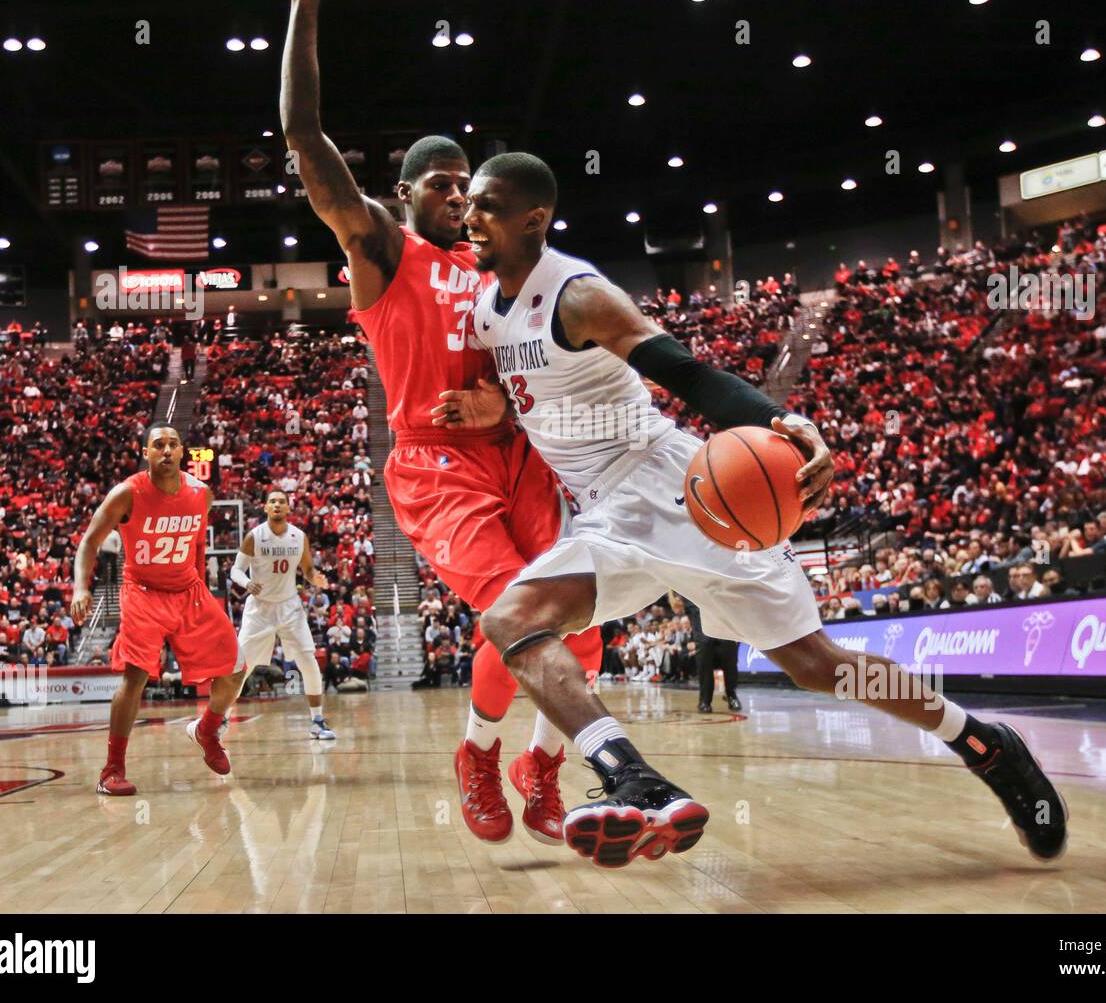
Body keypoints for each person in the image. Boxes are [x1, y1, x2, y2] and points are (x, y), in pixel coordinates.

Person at [439, 151, 1067, 868]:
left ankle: (984, 742)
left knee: (816, 664)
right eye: (469, 205)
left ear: (533, 220)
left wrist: (782, 419)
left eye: (486, 206)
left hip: (671, 486)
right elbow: (549, 400)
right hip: (610, 515)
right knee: (513, 621)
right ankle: (630, 778)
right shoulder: (487, 316)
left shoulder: (577, 295)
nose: (471, 217)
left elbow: (685, 370)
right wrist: (501, 411)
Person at [279, 0, 602, 848]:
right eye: (440, 185)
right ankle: (476, 754)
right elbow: (305, 139)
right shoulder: (385, 250)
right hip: (436, 466)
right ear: (402, 191)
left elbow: (549, 352)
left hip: (521, 455)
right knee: (522, 622)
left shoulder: (498, 262)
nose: (458, 199)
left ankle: (541, 770)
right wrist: (307, 2)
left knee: (588, 630)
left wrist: (509, 406)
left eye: (466, 187)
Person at [71, 422, 246, 796]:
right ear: (146, 453)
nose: (166, 450)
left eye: (173, 444)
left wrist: (199, 586)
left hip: (189, 591)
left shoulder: (202, 494)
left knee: (235, 670)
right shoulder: (126, 494)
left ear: (183, 452)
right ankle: (111, 770)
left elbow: (198, 546)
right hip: (143, 592)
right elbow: (89, 542)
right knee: (135, 679)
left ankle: (207, 730)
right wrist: (80, 588)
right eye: (158, 445)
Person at [230, 489, 335, 739]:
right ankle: (220, 719)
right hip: (260, 608)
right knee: (240, 666)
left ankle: (317, 721)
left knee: (308, 662)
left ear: (288, 509)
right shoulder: (254, 537)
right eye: (272, 501)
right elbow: (236, 570)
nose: (277, 504)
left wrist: (315, 578)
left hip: (289, 606)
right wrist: (246, 583)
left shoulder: (299, 537)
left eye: (282, 501)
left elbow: (308, 570)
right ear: (265, 508)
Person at [676, 593, 740, 713]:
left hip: (723, 628)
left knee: (730, 654)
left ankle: (731, 695)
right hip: (703, 633)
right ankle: (705, 700)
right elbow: (677, 605)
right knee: (704, 661)